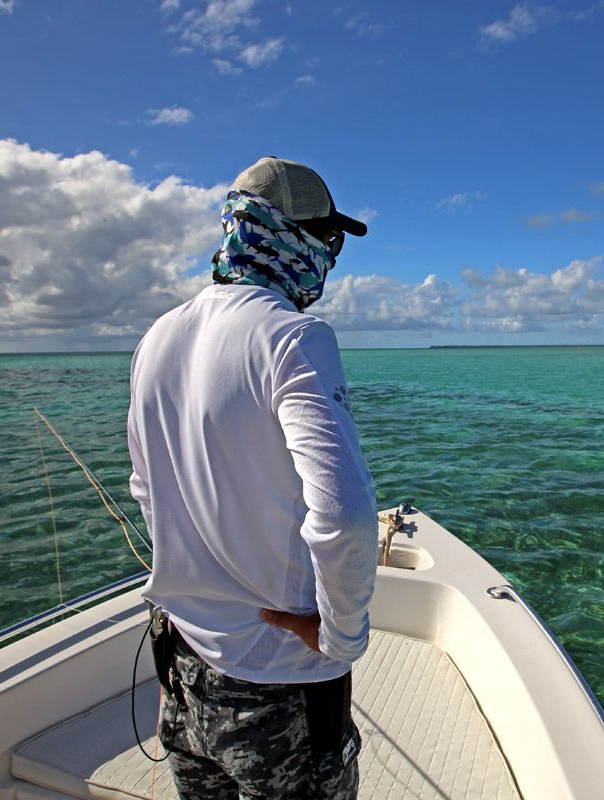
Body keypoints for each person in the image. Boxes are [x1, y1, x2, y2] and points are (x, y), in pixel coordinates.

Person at [127, 156, 377, 799]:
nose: (331, 256)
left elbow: (146, 491)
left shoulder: (157, 337)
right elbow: (345, 515)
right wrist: (341, 637)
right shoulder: (295, 337)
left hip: (181, 668)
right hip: (280, 687)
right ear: (289, 235)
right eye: (329, 239)